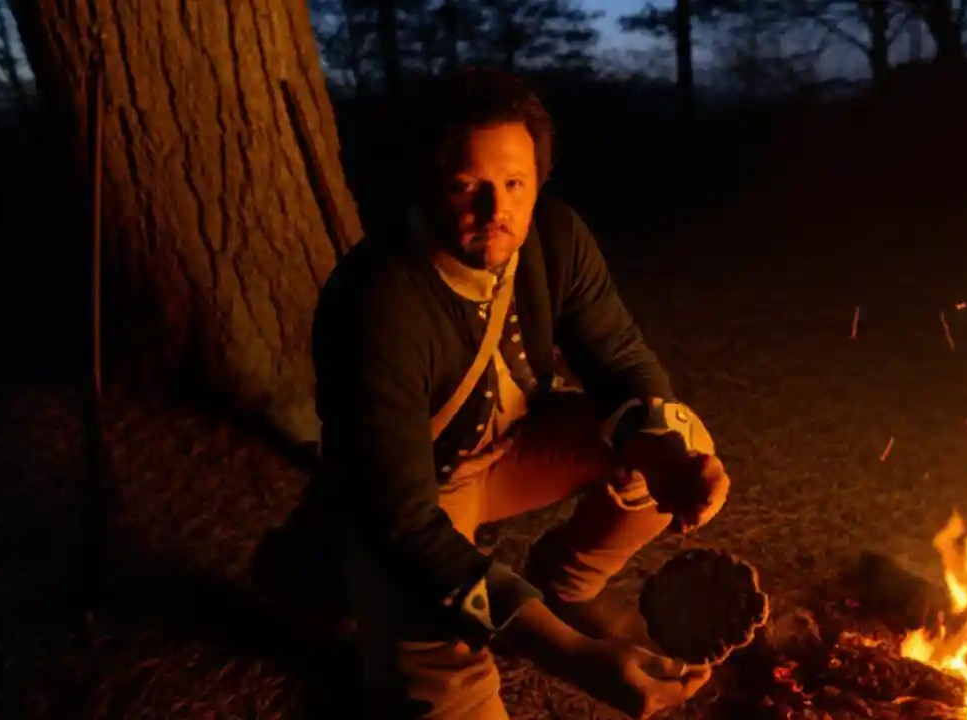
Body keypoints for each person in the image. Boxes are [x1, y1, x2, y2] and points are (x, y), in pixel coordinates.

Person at [311, 67, 732, 719]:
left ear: (539, 180)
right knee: (451, 688)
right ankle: (322, 567)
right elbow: (404, 526)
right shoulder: (379, 300)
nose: (495, 211)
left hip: (512, 449)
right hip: (418, 499)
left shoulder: (554, 238)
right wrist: (570, 654)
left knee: (679, 433)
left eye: (514, 184)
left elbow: (621, 361)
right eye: (467, 186)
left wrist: (662, 454)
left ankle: (567, 584)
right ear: (428, 182)